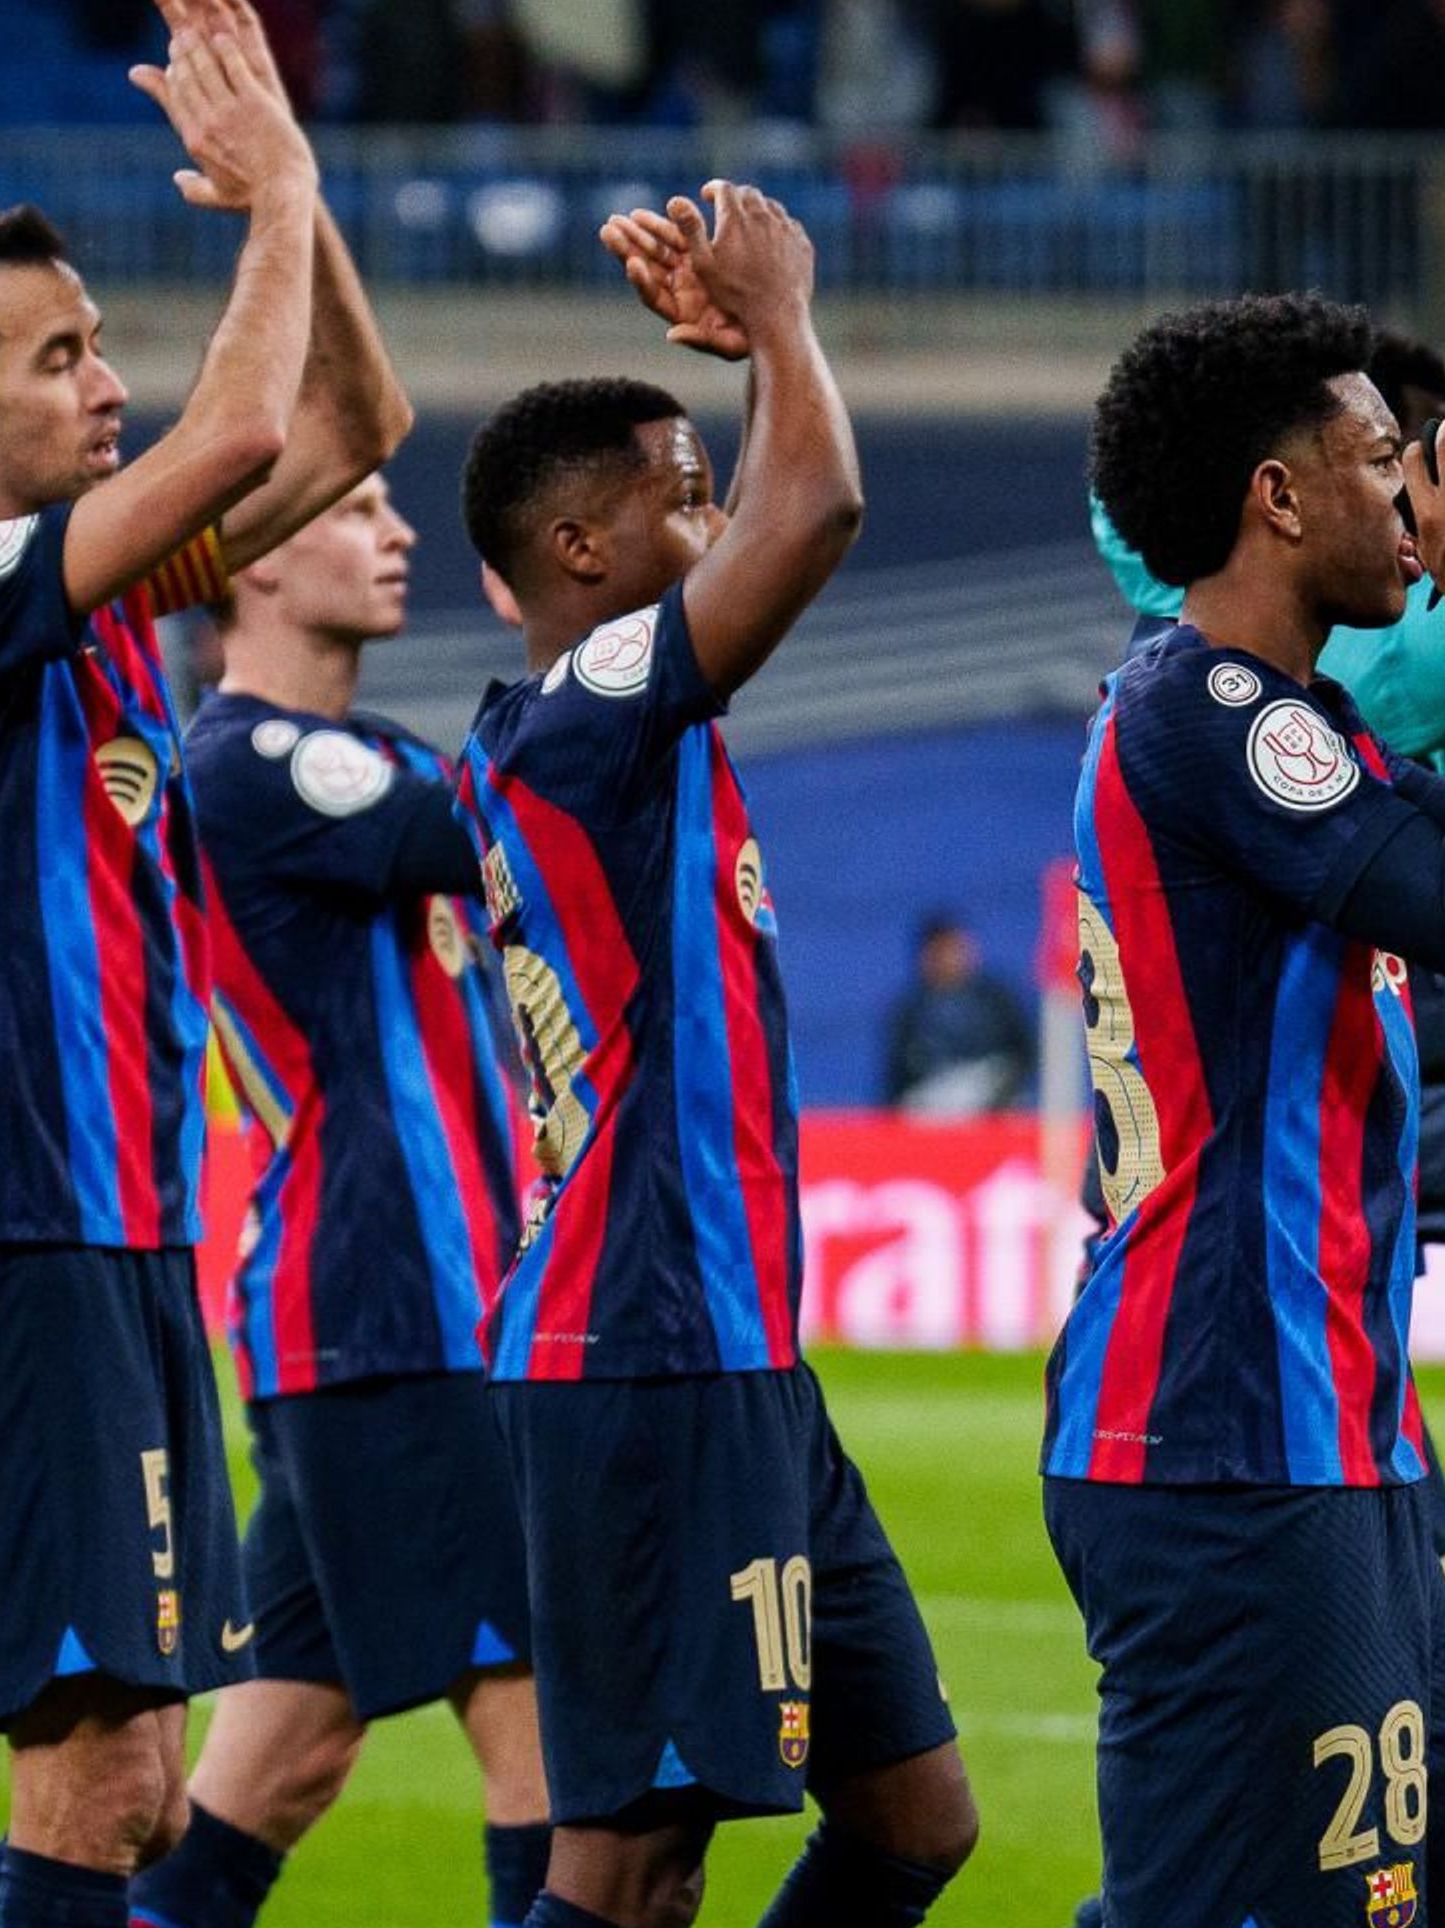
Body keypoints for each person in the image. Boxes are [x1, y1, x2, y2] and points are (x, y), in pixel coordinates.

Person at [0, 0, 410, 1928]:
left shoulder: (84, 615)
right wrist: (271, 199)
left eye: (99, 345)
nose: (105, 382)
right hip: (15, 1236)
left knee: (146, 1806)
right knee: (90, 1800)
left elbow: (353, 416)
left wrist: (297, 173)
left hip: (127, 1235)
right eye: (61, 355)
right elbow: (244, 427)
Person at [1050, 288, 1445, 1928]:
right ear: (1279, 497)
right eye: (1383, 459)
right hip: (1223, 1432)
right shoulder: (1206, 712)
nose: (1416, 491)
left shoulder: (1299, 726)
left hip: (1331, 1430)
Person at [451, 183, 977, 1928]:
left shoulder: (620, 727)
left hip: (737, 1357)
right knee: (633, 1863)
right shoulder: (586, 718)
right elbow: (816, 505)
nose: (722, 518)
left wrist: (755, 362)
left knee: (914, 1817)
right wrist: (782, 319)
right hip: (643, 1351)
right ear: (581, 555)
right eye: (683, 501)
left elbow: (773, 510)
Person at [146, 473, 553, 1928]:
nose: (400, 536)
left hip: (381, 1321)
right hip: (392, 1310)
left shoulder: (370, 756)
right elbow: (510, 838)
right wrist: (592, 631)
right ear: (252, 562)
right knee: (551, 1742)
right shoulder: (249, 763)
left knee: (279, 1761)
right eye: (361, 511)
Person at [879, 912, 1032, 1113]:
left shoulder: (995, 998)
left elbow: (1024, 1053)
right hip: (933, 1105)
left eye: (956, 949)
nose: (951, 958)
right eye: (941, 951)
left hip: (996, 1098)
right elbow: (896, 1081)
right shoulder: (909, 1010)